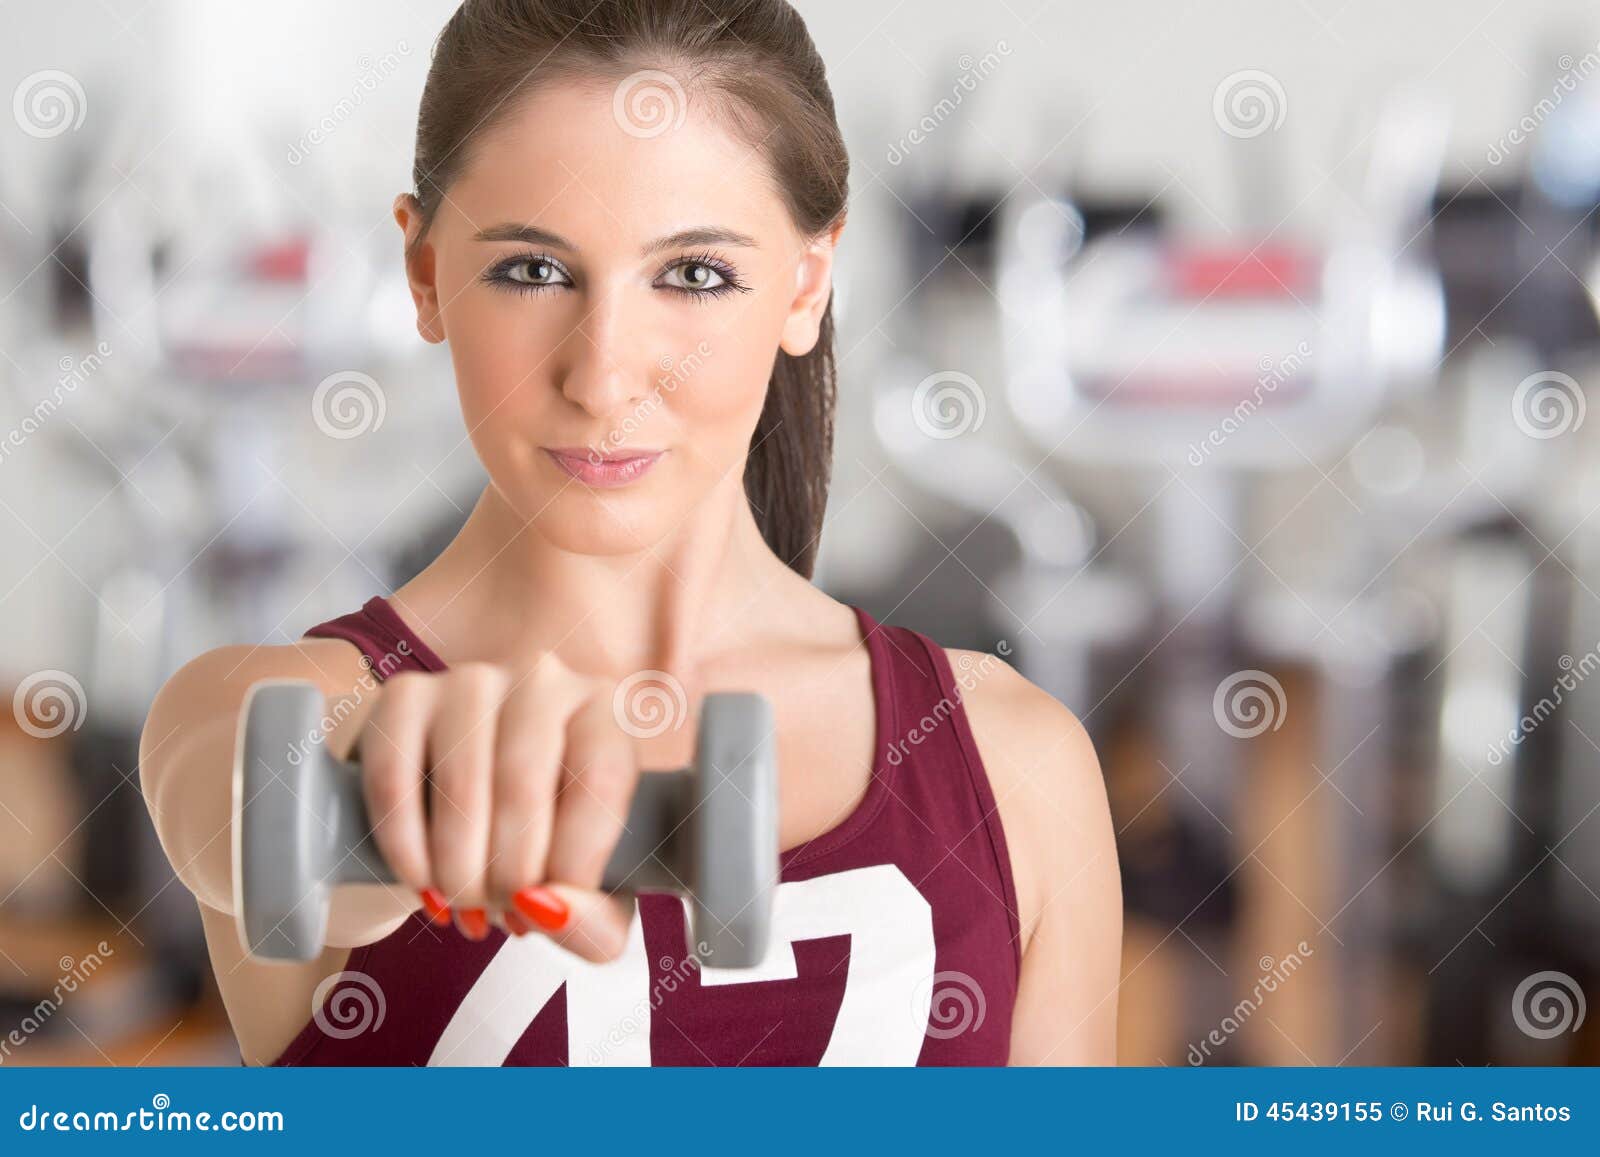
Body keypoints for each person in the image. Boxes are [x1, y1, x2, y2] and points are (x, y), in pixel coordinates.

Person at [138, 0, 1122, 1066]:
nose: (603, 377)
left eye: (694, 274)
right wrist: (399, 789)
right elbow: (256, 810)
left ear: (806, 285)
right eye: (532, 270)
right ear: (426, 276)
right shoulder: (256, 708)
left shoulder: (1016, 761)